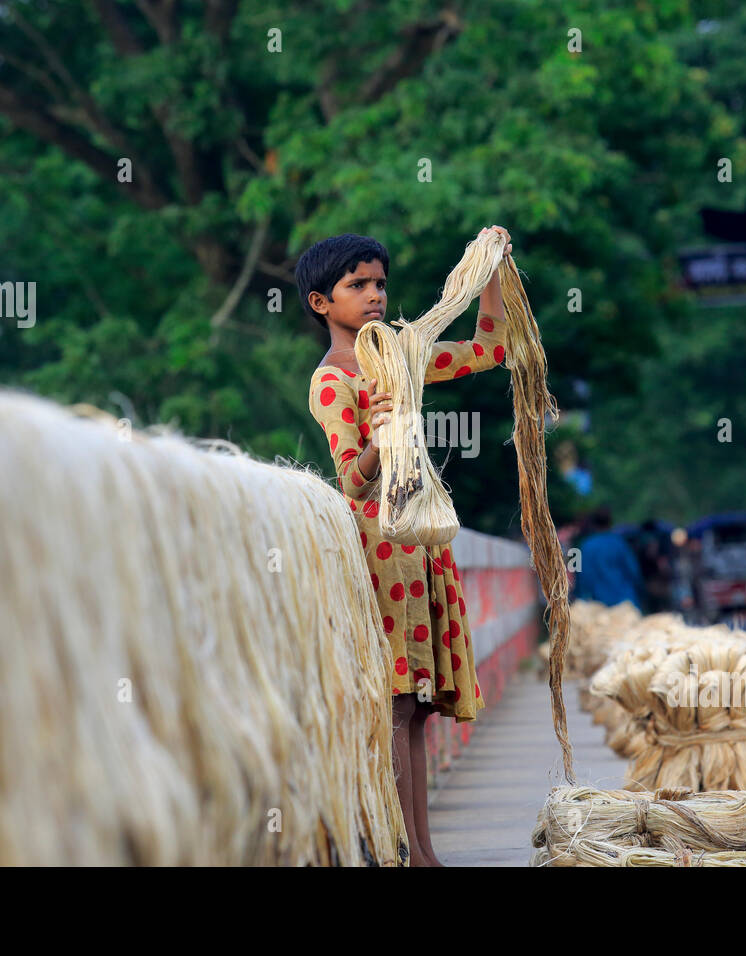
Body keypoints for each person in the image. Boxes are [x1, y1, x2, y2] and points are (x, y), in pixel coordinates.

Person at [300, 226, 511, 867]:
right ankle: (403, 853)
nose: (373, 295)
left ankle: (423, 848)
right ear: (320, 303)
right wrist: (381, 434)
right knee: (392, 707)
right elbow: (350, 478)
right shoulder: (333, 380)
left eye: (379, 284)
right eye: (356, 285)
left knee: (416, 711)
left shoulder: (402, 355)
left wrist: (492, 271)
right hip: (376, 552)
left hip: (418, 546)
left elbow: (489, 348)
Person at [571, 507, 645, 611]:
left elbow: (579, 576)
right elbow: (634, 572)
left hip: (596, 608)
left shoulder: (585, 546)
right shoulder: (620, 544)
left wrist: (580, 598)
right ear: (610, 522)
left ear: (593, 523)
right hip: (624, 606)